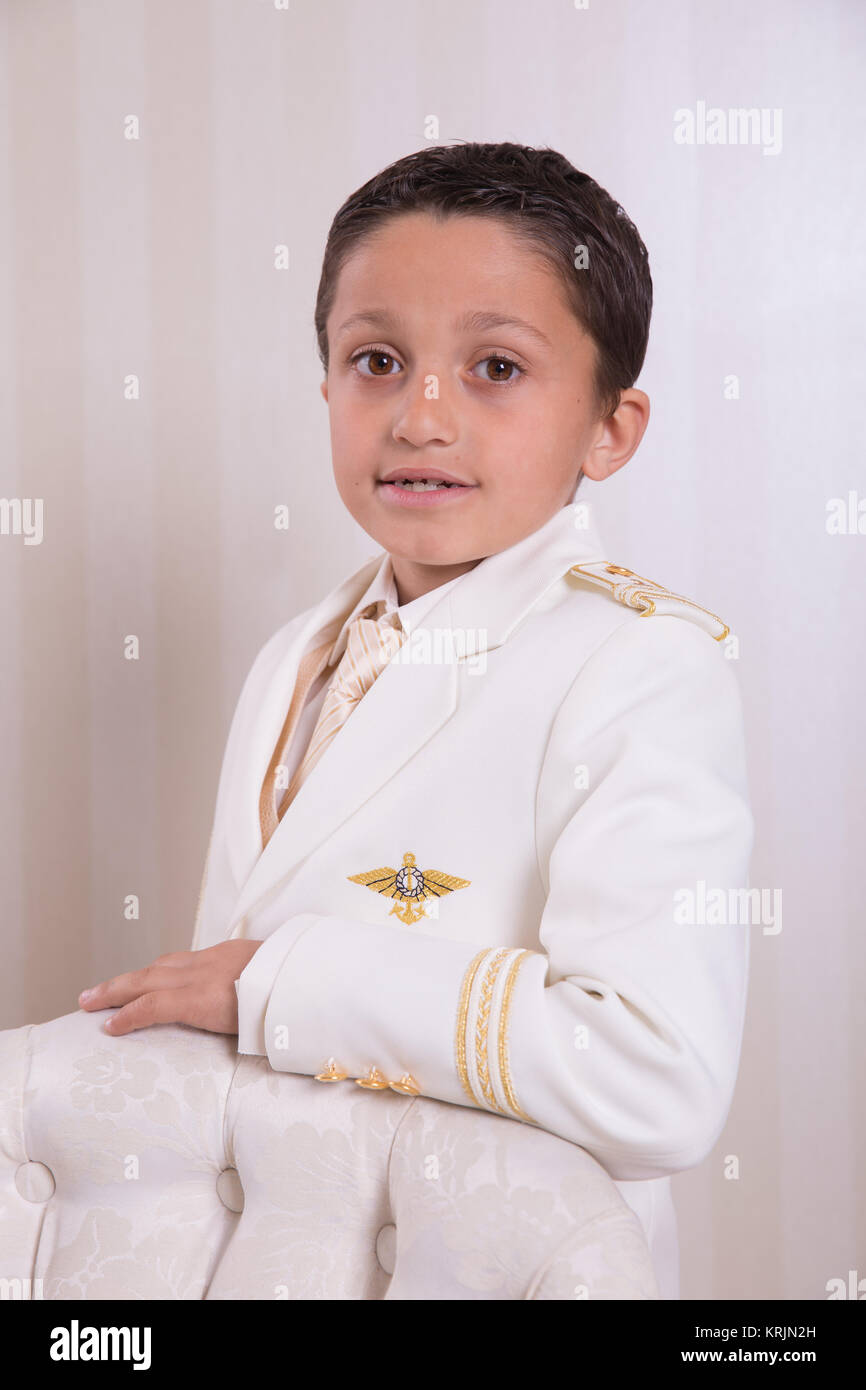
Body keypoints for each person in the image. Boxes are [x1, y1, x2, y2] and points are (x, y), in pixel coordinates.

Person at [78, 142, 753, 1300]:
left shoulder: (640, 660)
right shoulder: (293, 656)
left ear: (610, 428)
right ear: (328, 386)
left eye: (494, 365)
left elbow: (656, 1078)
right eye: (376, 360)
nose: (421, 417)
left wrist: (276, 985)